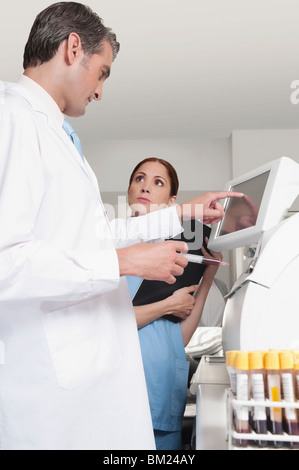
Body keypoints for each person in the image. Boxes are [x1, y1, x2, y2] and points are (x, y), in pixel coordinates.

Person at [0, 2, 243, 450]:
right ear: (74, 48)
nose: (101, 90)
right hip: (49, 397)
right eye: (103, 71)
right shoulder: (12, 120)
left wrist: (182, 214)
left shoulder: (55, 133)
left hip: (87, 384)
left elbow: (91, 235)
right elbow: (7, 263)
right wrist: (124, 262)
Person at [126, 157, 223, 450]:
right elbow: (103, 325)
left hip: (164, 387)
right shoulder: (115, 252)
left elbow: (177, 339)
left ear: (171, 201)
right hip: (123, 390)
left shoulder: (178, 254)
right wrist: (166, 306)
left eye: (158, 182)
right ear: (129, 190)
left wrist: (207, 277)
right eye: (139, 178)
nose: (145, 187)